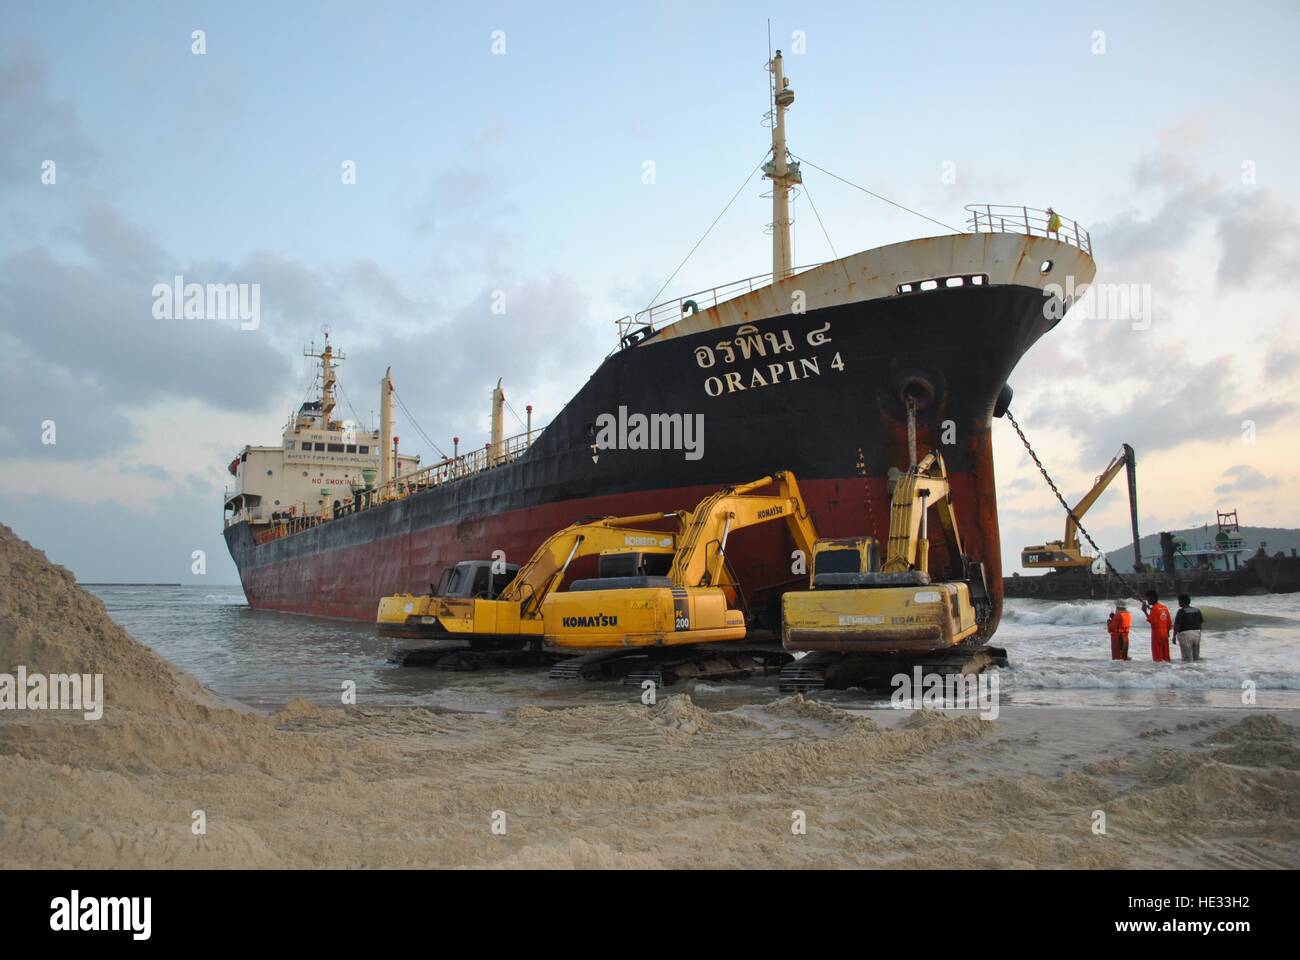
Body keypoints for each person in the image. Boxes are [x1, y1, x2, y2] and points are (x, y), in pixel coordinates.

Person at [1141, 590, 1173, 662]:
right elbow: (1169, 624)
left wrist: (1145, 611)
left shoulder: (1154, 609)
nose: (1147, 601)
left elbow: (1152, 621)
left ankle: (1158, 672)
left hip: (1157, 635)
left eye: (1148, 599)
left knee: (1157, 658)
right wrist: (1167, 633)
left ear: (1152, 598)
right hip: (1165, 635)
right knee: (1166, 657)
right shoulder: (1164, 607)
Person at [1173, 593, 1204, 661]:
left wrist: (1174, 636)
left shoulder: (1181, 611)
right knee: (1196, 657)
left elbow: (1177, 625)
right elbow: (1200, 623)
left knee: (1187, 659)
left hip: (1185, 636)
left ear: (1182, 601)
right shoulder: (1197, 610)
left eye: (1179, 601)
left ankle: (1189, 670)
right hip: (1196, 634)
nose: (1178, 602)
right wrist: (1199, 634)